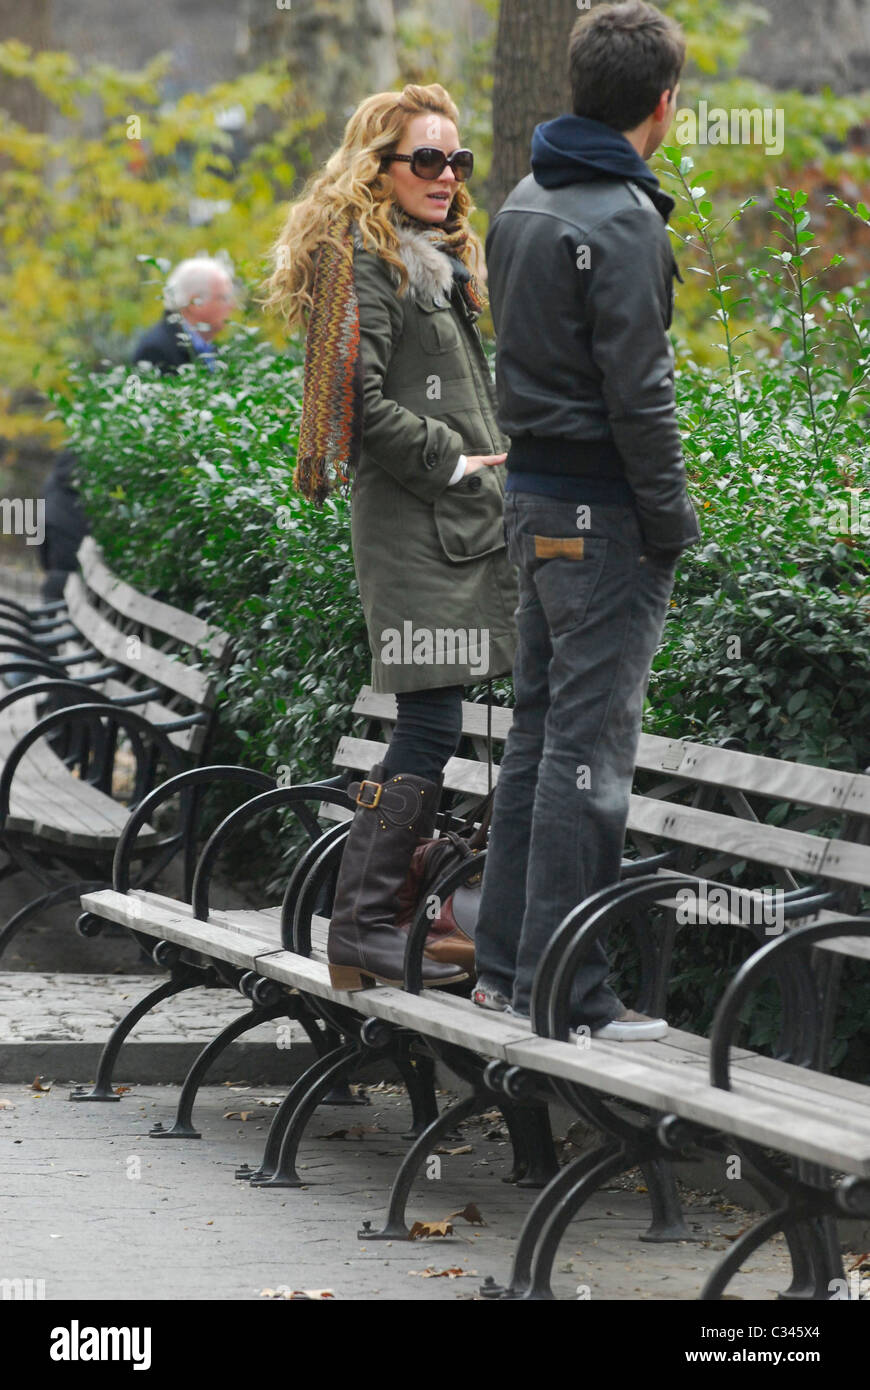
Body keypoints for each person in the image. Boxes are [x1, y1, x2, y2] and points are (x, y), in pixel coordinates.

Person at [472, 0, 701, 1039]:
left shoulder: (520, 201)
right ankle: (574, 992)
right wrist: (672, 523)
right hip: (602, 513)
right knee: (588, 750)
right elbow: (641, 396)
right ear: (663, 104)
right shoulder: (624, 219)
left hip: (533, 501)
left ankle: (508, 968)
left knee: (538, 733)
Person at [264, 83, 518, 991]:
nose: (446, 177)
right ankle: (366, 923)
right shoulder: (365, 260)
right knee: (430, 720)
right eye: (426, 160)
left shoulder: (432, 260)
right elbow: (358, 408)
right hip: (416, 530)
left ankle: (393, 914)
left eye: (456, 162)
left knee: (436, 721)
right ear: (380, 166)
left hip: (455, 533)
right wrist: (456, 458)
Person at [132, 257, 236, 374]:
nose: (232, 305)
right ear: (195, 303)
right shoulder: (157, 351)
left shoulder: (209, 347)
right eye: (223, 298)